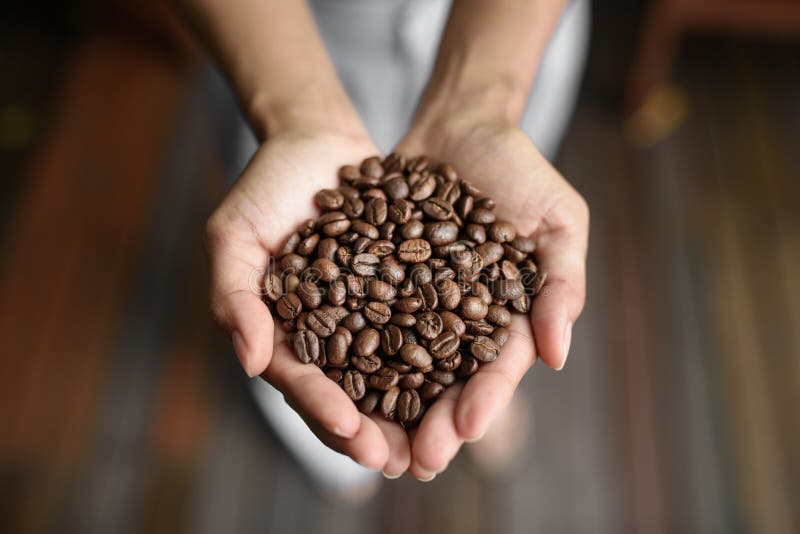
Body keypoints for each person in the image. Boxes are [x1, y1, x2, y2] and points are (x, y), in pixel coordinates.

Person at [175, 0, 590, 494]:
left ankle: (471, 404)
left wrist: (481, 106)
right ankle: (340, 452)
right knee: (287, 356)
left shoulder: (458, 254)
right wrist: (295, 114)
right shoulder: (346, 260)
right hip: (283, 42)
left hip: (510, 35)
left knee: (474, 382)